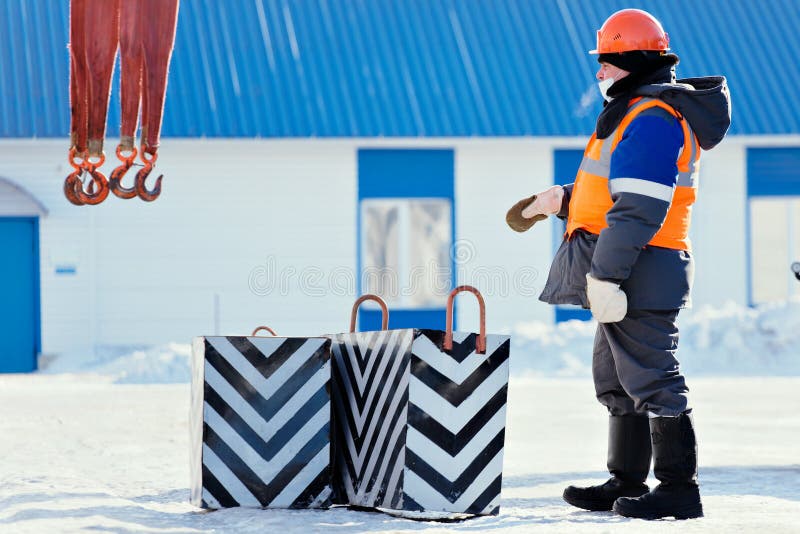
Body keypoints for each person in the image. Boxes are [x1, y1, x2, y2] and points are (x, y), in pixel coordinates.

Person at [506, 8, 730, 520]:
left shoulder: (652, 119)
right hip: (626, 262)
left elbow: (639, 208)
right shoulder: (632, 113)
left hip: (641, 266)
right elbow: (608, 191)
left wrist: (605, 275)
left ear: (630, 60)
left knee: (653, 377)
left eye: (606, 61)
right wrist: (559, 200)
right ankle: (624, 480)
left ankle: (678, 488)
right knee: (616, 378)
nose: (600, 71)